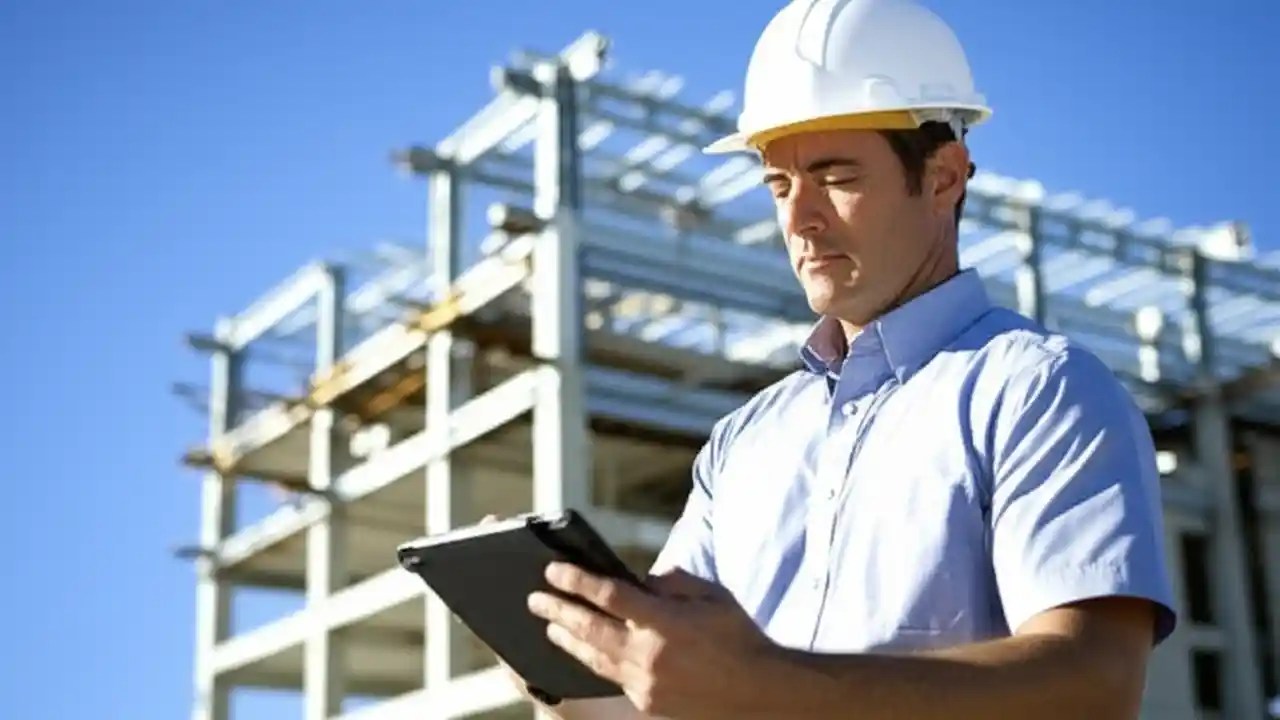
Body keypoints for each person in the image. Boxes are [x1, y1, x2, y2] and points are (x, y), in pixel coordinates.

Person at [515, 0, 1178, 717]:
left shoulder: (1039, 391)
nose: (799, 218)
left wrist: (767, 688)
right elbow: (663, 696)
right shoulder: (744, 442)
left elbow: (1095, 684)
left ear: (944, 177)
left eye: (836, 177)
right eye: (778, 185)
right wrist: (566, 667)